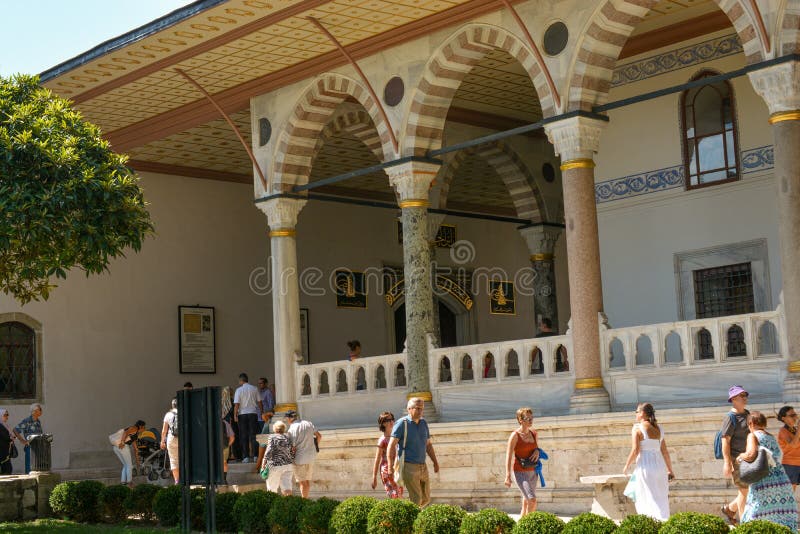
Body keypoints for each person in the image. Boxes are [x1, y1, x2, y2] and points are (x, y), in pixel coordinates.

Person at [737, 411, 798, 531]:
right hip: (781, 481)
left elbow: (750, 454)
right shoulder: (770, 437)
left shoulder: (752, 435)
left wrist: (741, 456)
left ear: (751, 423)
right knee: (779, 515)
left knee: (756, 513)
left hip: (763, 481)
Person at [621, 403, 674, 521]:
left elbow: (635, 450)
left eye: (636, 412)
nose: (635, 414)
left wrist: (626, 465)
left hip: (646, 466)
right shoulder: (659, 429)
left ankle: (650, 525)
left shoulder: (637, 428)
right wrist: (670, 469)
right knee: (661, 498)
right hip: (660, 466)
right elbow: (665, 452)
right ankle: (664, 524)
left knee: (645, 497)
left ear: (642, 413)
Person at [387, 397, 440, 507]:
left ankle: (408, 512)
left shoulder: (423, 423)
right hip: (408, 465)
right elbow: (391, 446)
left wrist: (435, 462)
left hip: (422, 465)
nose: (420, 411)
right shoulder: (402, 423)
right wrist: (389, 466)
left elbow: (428, 445)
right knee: (416, 498)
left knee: (426, 498)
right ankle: (414, 521)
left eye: (422, 408)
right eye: (418, 408)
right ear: (409, 409)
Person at [720, 385, 751, 526]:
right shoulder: (730, 418)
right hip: (736, 459)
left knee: (746, 490)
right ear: (733, 399)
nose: (745, 398)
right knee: (745, 491)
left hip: (749, 458)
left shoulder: (747, 413)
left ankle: (729, 509)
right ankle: (745, 524)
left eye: (745, 395)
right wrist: (727, 463)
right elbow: (725, 441)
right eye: (742, 396)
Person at [504, 407, 540, 517]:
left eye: (531, 417)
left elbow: (536, 447)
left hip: (533, 471)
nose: (530, 420)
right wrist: (508, 475)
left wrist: (537, 451)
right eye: (527, 418)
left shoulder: (534, 433)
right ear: (520, 420)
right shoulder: (515, 435)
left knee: (526, 501)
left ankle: (520, 525)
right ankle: (529, 526)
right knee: (532, 500)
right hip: (520, 472)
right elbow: (509, 456)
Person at [286, 410, 321, 498]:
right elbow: (319, 436)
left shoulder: (292, 429)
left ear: (289, 418)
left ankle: (304, 503)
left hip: (299, 458)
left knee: (302, 482)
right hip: (311, 456)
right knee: (306, 482)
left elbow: (292, 447)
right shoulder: (308, 423)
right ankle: (306, 501)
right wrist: (314, 448)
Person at [372, 411, 403, 499]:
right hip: (386, 471)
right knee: (395, 495)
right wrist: (374, 477)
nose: (392, 422)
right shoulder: (382, 440)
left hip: (397, 469)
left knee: (399, 494)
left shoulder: (396, 437)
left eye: (392, 419)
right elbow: (377, 459)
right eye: (389, 420)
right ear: (383, 423)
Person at [234, 373, 262, 463]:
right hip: (253, 413)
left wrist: (235, 415)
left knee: (243, 435)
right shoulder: (254, 388)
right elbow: (260, 402)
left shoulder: (239, 390)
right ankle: (255, 456)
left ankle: (245, 457)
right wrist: (261, 412)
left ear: (241, 380)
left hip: (242, 414)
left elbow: (237, 404)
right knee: (254, 435)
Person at [262, 420, 294, 495]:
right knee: (287, 488)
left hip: (275, 465)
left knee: (272, 489)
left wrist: (263, 463)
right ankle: (289, 505)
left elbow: (269, 451)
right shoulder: (287, 438)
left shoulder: (272, 437)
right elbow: (292, 452)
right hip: (288, 465)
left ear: (275, 429)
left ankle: (273, 505)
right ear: (283, 429)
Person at [110, 420, 145, 485]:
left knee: (126, 465)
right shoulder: (134, 428)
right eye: (144, 427)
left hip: (116, 447)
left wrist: (137, 461)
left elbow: (135, 449)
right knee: (129, 465)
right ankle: (130, 482)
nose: (144, 429)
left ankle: (123, 482)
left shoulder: (135, 434)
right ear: (140, 426)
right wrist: (122, 442)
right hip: (123, 447)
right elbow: (126, 433)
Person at [13, 403, 43, 474]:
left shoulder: (38, 421)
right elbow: (15, 430)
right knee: (30, 467)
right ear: (34, 411)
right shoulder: (27, 421)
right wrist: (23, 441)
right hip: (30, 447)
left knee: (37, 467)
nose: (41, 411)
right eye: (40, 409)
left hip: (38, 447)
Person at [776, 405, 800, 489]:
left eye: (795, 414)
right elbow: (793, 445)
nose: (795, 417)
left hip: (798, 463)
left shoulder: (795, 430)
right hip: (790, 464)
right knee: (790, 491)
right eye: (792, 415)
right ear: (783, 418)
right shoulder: (783, 431)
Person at [160, 399, 180, 484]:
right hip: (183, 439)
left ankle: (177, 481)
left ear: (172, 406)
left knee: (173, 460)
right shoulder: (184, 413)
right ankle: (187, 479)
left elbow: (164, 430)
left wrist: (162, 441)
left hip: (171, 439)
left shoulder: (168, 414)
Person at [221, 417, 235, 485]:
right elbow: (232, 437)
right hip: (224, 446)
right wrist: (227, 445)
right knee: (224, 463)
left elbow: (232, 437)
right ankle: (224, 480)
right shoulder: (225, 423)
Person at [0, 408, 12, 475]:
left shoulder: (5, 425)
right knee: (7, 469)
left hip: (5, 451)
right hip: (2, 452)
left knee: (7, 469)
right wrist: (10, 438)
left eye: (7, 415)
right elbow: (5, 437)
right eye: (5, 415)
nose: (7, 417)